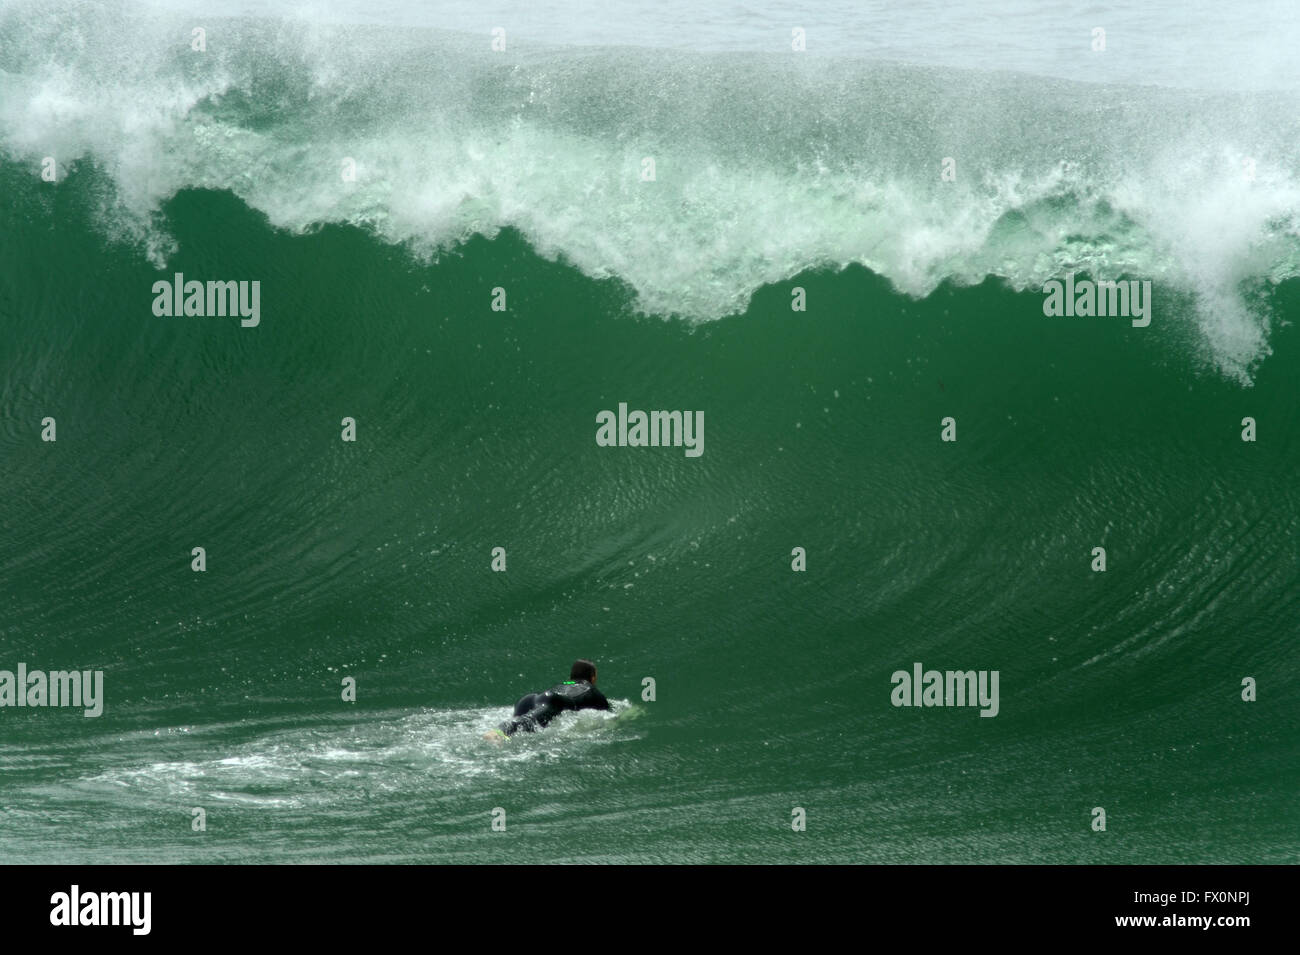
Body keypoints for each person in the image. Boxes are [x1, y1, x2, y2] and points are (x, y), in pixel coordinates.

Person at [485, 659, 611, 741]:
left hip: (530, 699)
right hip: (554, 701)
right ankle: (498, 732)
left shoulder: (565, 683)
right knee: (523, 723)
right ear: (593, 678)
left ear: (571, 676)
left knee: (523, 723)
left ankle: (501, 732)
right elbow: (608, 716)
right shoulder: (591, 690)